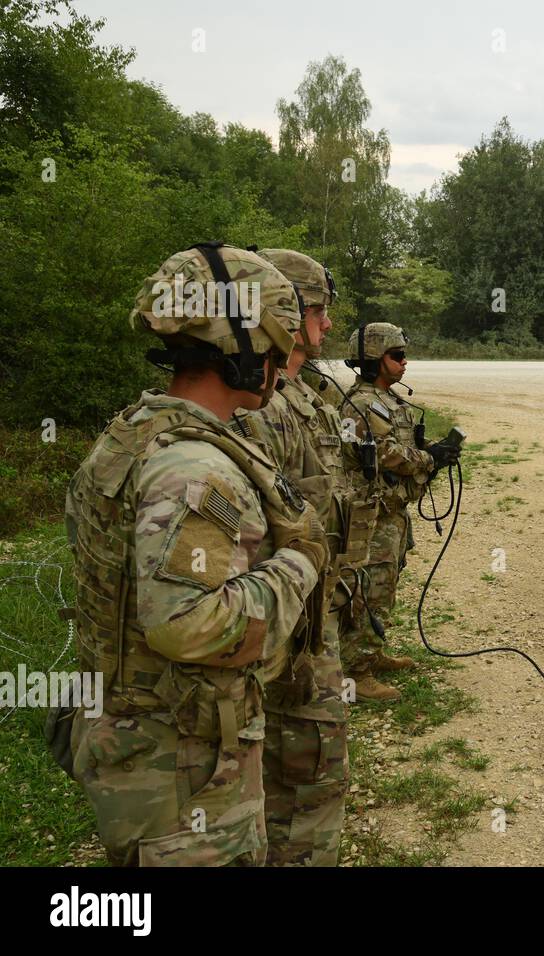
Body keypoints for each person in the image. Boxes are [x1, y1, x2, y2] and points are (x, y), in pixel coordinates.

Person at [65, 243, 327, 866]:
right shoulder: (195, 468)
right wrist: (299, 565)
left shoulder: (135, 432)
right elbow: (189, 624)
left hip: (143, 747)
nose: (276, 363)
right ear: (238, 347)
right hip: (182, 769)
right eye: (271, 345)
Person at [231, 248, 364, 866]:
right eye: (317, 311)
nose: (327, 325)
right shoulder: (257, 408)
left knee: (306, 770)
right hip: (283, 631)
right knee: (307, 771)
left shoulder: (300, 397)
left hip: (310, 618)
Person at [338, 323, 458, 701]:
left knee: (385, 585)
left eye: (404, 354)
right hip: (369, 515)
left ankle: (372, 654)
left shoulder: (386, 401)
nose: (405, 362)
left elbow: (398, 451)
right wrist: (428, 458)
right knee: (370, 587)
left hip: (390, 511)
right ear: (374, 359)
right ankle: (355, 672)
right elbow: (384, 452)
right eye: (397, 355)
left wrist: (431, 454)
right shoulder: (360, 404)